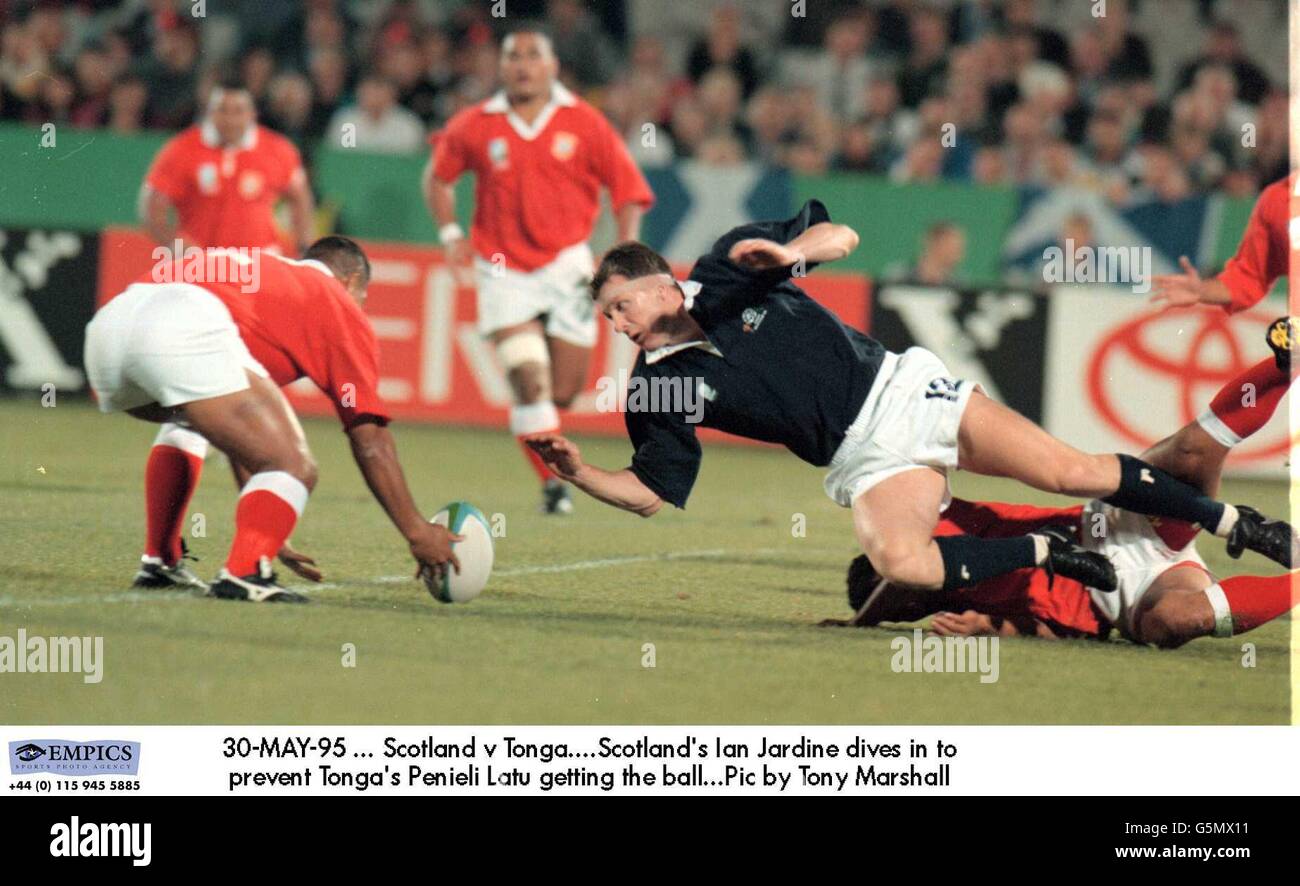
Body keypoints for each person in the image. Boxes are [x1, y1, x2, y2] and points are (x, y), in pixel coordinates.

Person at [526, 200, 1293, 599]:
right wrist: (579, 473)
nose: (618, 326)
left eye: (621, 307)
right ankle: (1046, 554)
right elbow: (654, 494)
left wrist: (793, 254)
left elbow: (841, 236)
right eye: (608, 319)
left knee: (1071, 473)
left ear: (662, 281)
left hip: (908, 394)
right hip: (865, 460)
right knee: (900, 561)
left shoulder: (729, 265)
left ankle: (1235, 521)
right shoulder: (655, 387)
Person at [827, 338, 1297, 648]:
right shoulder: (959, 610)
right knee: (1172, 622)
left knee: (1190, 453)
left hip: (1109, 523)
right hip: (1125, 597)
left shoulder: (930, 533)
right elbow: (1050, 629)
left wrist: (859, 622)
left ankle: (1286, 361)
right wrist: (993, 629)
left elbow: (894, 575)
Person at [84, 237, 460, 603]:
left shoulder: (267, 274)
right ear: (350, 282)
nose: (360, 307)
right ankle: (244, 573)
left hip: (109, 328)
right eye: (363, 298)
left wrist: (266, 528)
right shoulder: (333, 299)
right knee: (294, 464)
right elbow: (370, 440)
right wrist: (416, 531)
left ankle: (161, 562)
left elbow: (238, 438)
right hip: (178, 325)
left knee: (189, 423)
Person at [423, 29, 654, 515]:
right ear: (501, 67)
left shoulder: (585, 123)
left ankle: (546, 443)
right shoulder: (476, 124)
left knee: (563, 392)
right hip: (502, 268)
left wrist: (624, 251)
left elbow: (628, 190)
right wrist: (450, 234)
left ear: (553, 67)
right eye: (513, 56)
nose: (523, 64)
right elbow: (438, 177)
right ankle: (555, 485)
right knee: (530, 380)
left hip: (568, 267)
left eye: (533, 56)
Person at [131, 82, 318, 590]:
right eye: (222, 108)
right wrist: (176, 249)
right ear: (210, 111)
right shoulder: (185, 148)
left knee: (202, 409)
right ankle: (243, 554)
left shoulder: (277, 150)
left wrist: (300, 249)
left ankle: (162, 555)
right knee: (215, 407)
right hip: (204, 292)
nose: (231, 116)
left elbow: (301, 197)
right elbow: (151, 204)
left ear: (252, 111)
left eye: (239, 107)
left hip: (259, 293)